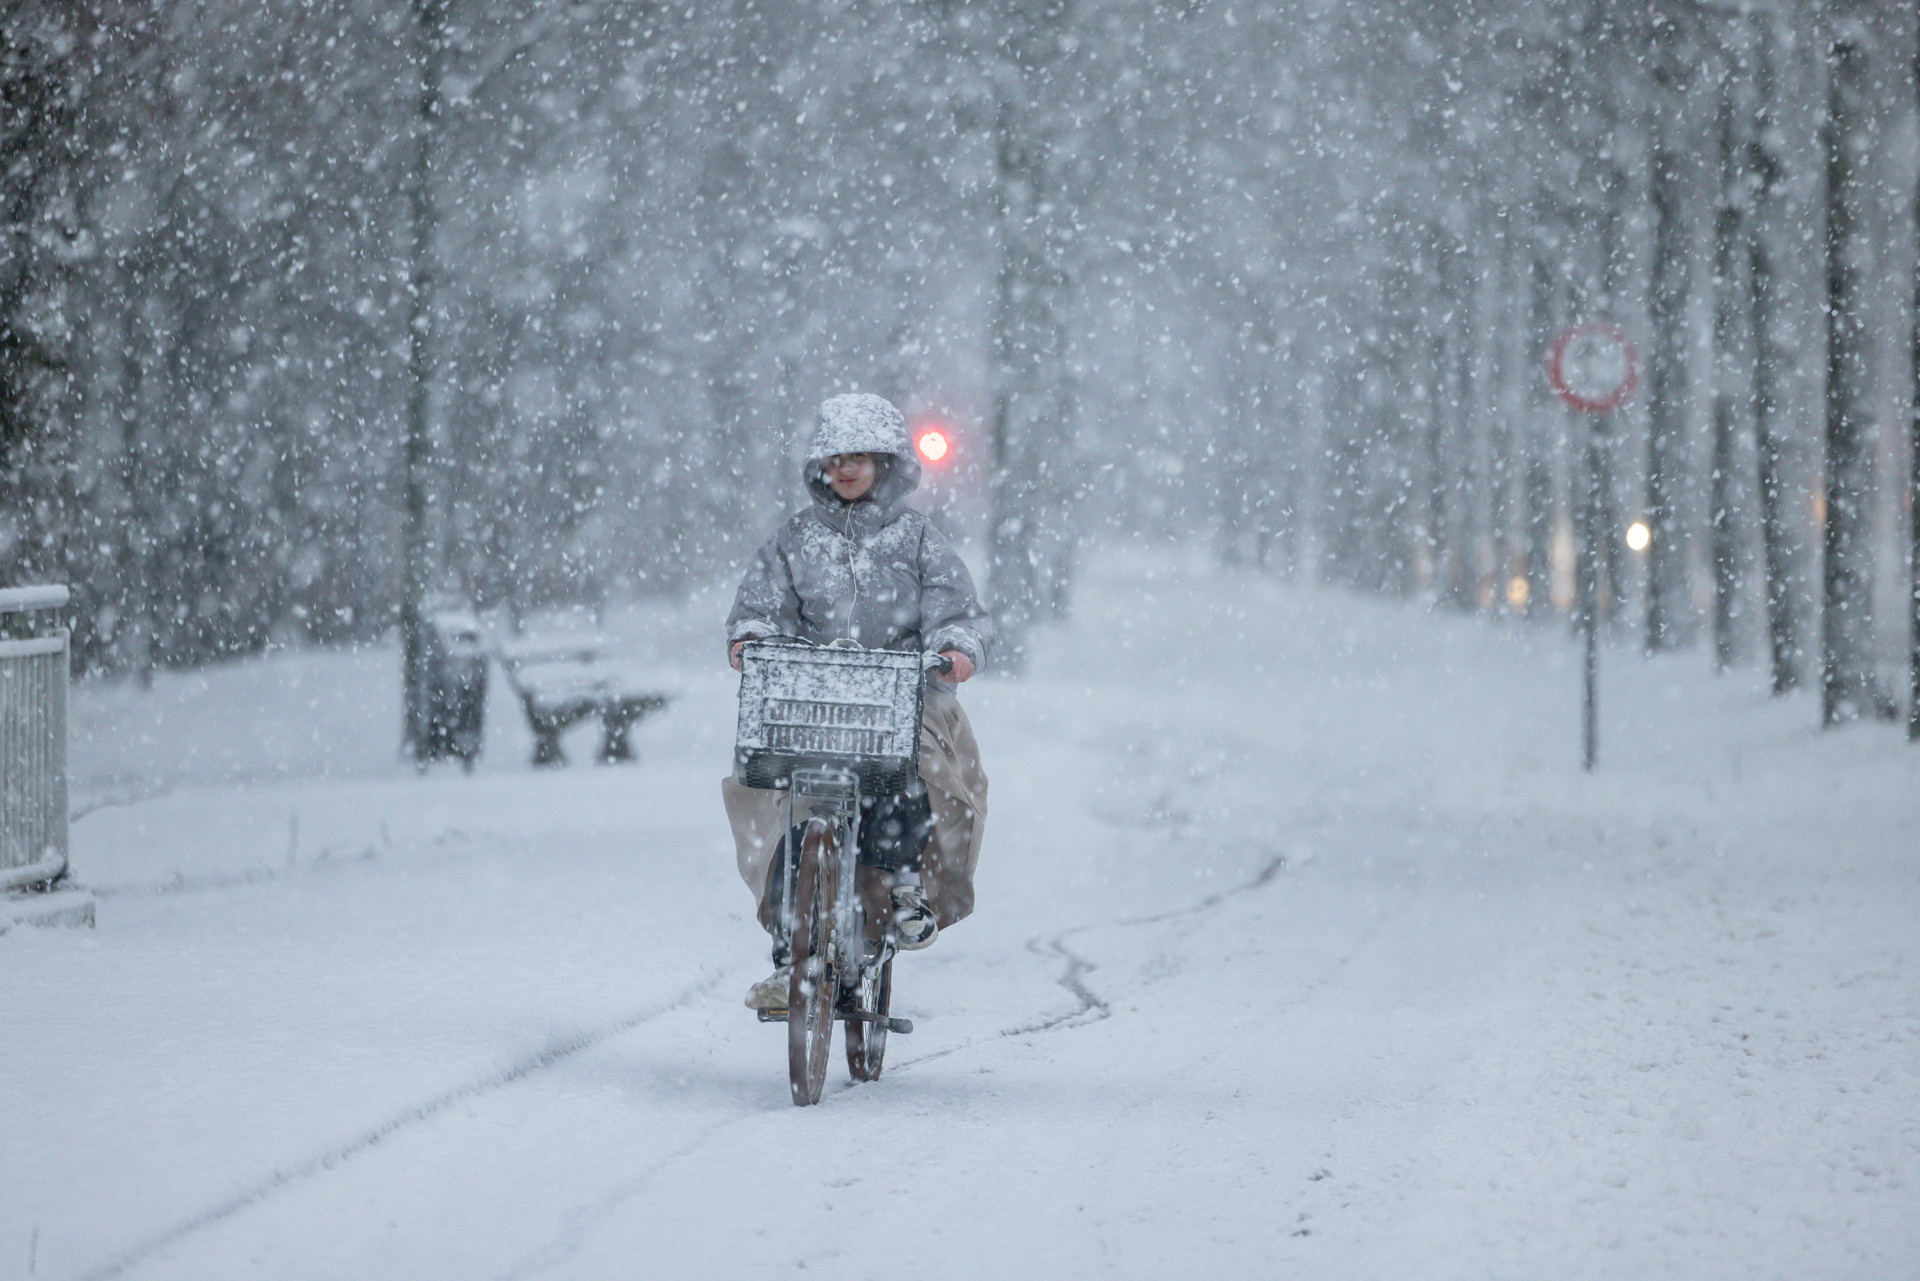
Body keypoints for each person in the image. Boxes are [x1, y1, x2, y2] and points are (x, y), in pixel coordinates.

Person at [722, 392, 992, 1011]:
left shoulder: (918, 539)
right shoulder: (792, 540)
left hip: (901, 694)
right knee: (794, 819)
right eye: (836, 458)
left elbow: (957, 610)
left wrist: (956, 648)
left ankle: (904, 887)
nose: (847, 469)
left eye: (860, 458)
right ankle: (790, 959)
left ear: (886, 464)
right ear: (820, 465)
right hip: (812, 702)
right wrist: (750, 638)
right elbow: (758, 608)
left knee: (907, 772)